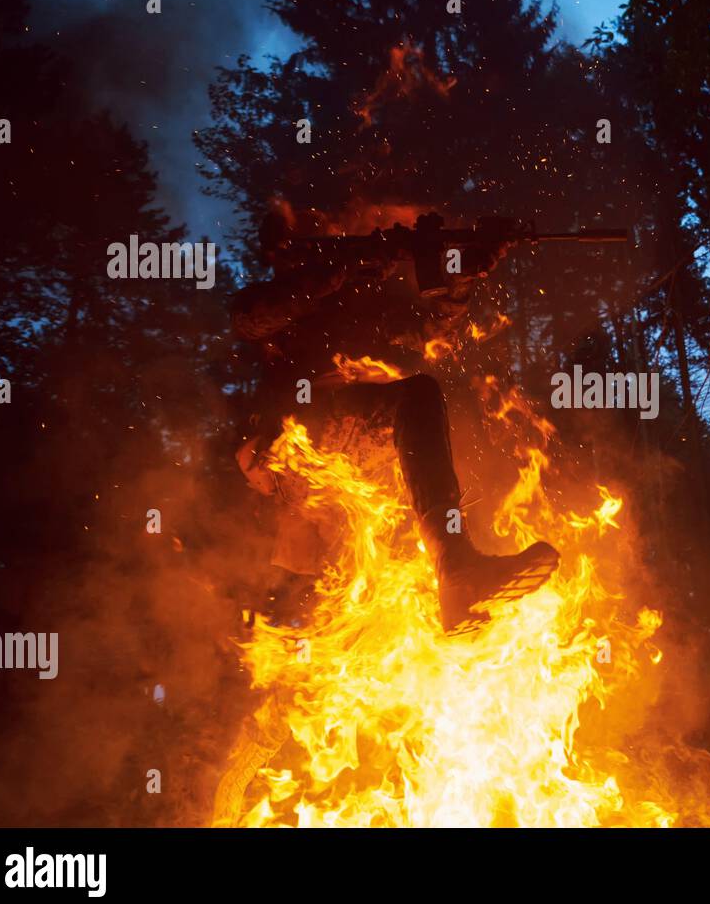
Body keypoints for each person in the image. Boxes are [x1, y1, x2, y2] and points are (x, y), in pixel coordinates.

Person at [231, 208, 559, 632]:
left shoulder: (357, 304)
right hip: (298, 444)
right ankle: (456, 570)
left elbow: (430, 334)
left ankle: (458, 588)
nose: (329, 234)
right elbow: (256, 318)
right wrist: (341, 267)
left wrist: (463, 278)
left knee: (421, 414)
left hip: (355, 455)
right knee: (416, 396)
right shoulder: (269, 302)